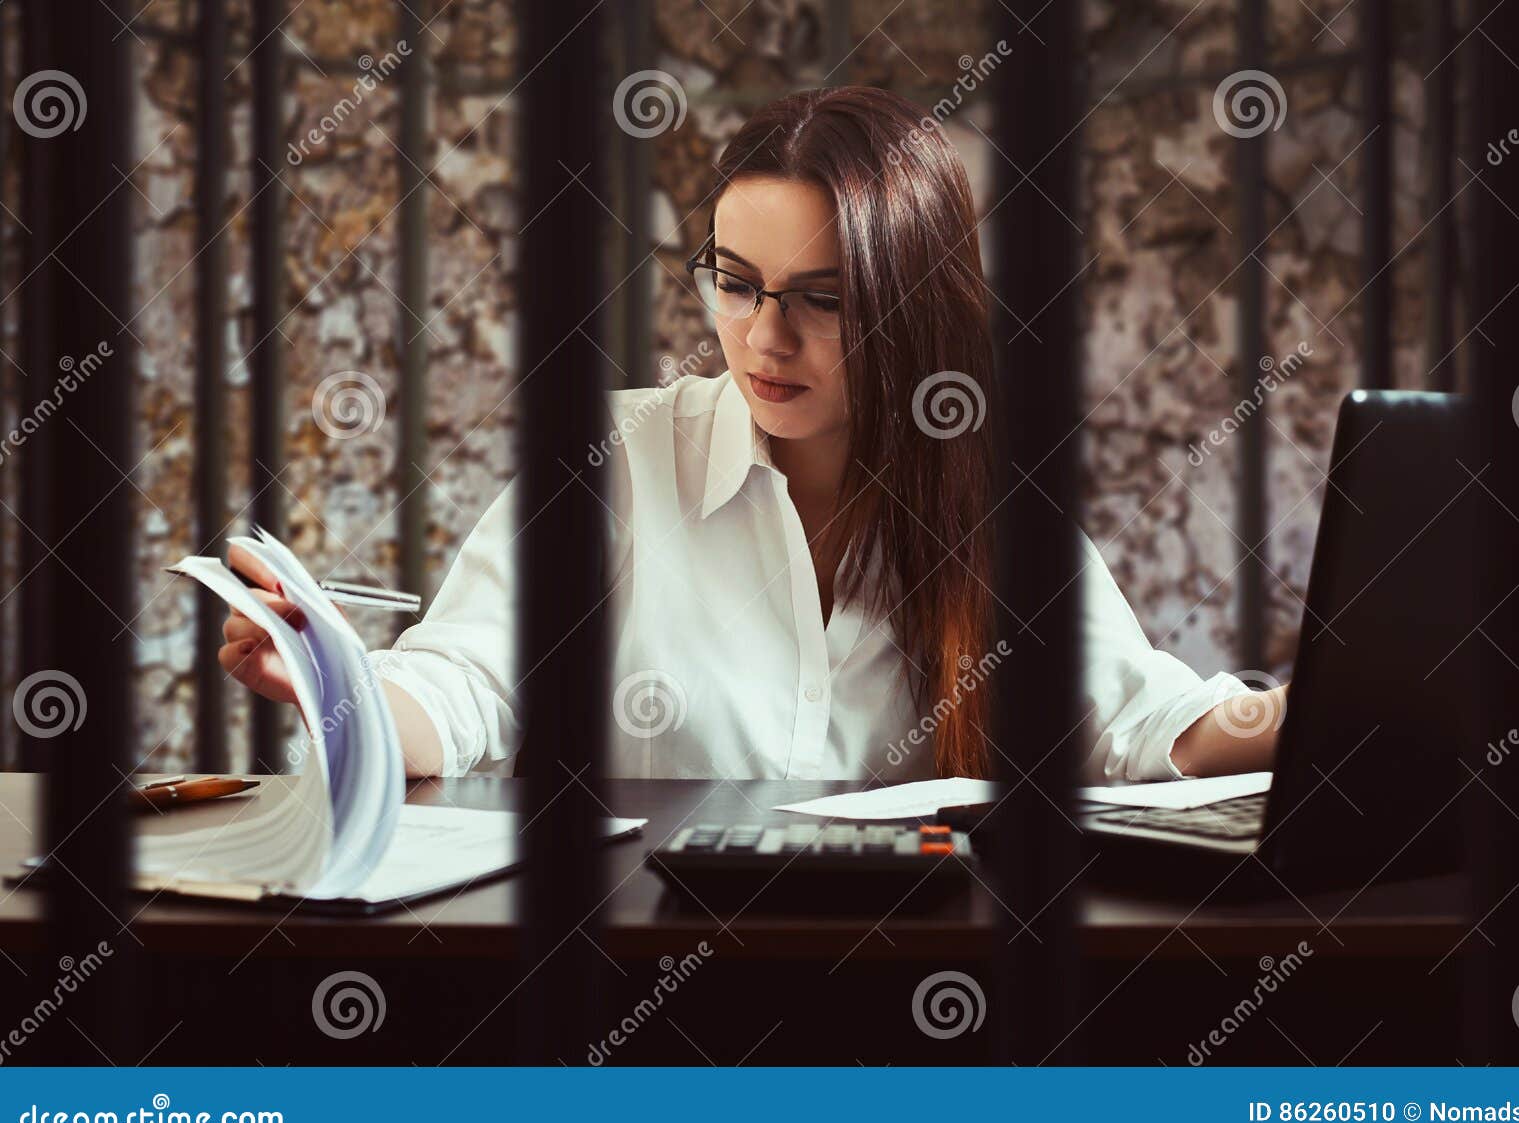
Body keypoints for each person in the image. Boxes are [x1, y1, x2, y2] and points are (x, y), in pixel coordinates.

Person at [219, 86, 1286, 782]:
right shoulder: (617, 465)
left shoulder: (987, 499)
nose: (762, 338)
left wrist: (1340, 703)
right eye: (734, 284)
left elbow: (1154, 727)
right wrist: (338, 679)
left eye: (821, 299)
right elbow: (465, 689)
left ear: (914, 305)